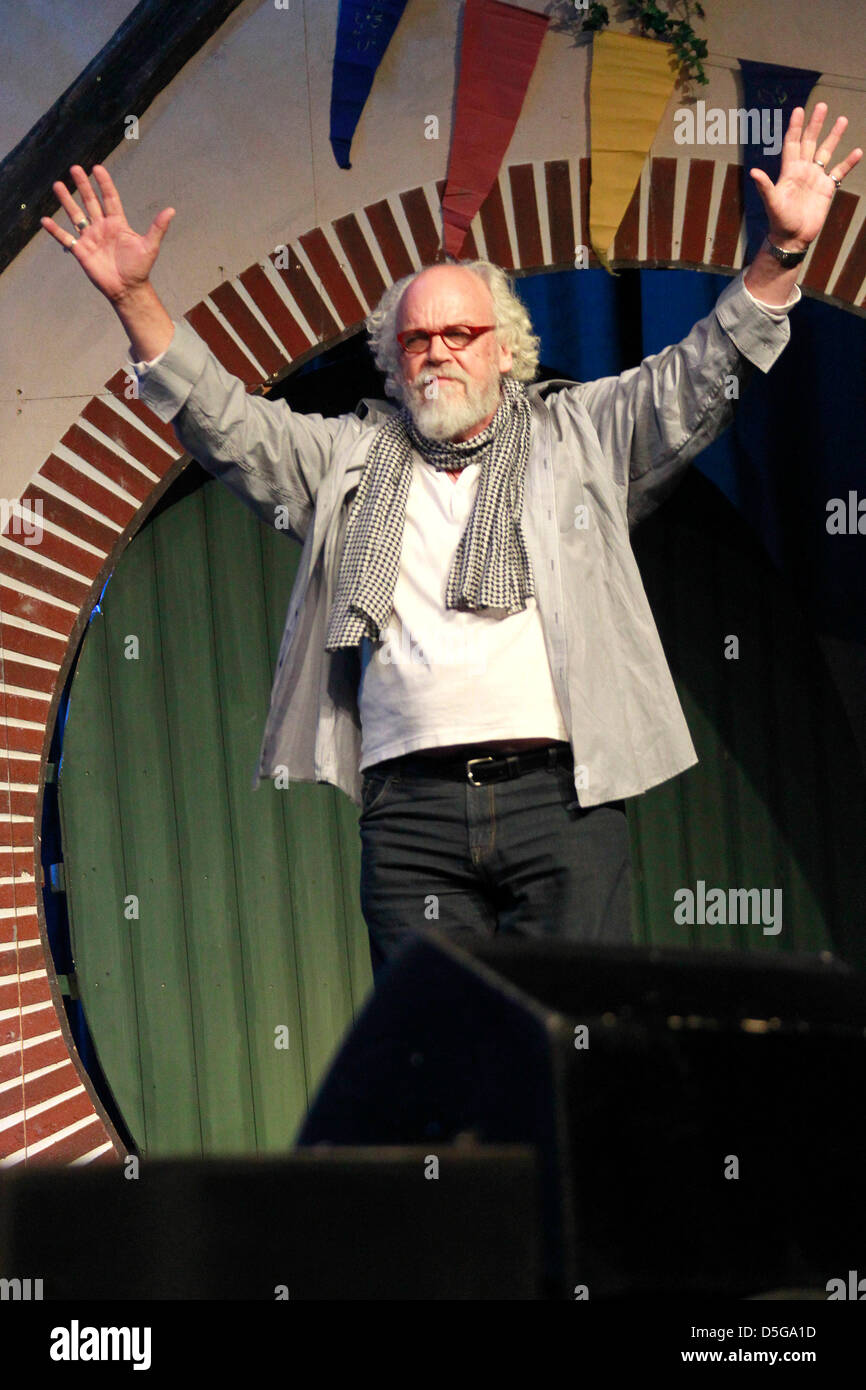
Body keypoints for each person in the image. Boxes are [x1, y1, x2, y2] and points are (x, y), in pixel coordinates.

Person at [42, 104, 861, 977]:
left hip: (561, 800)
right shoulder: (346, 460)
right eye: (417, 340)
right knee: (435, 1067)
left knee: (574, 1041)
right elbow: (228, 425)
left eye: (460, 335)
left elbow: (695, 380)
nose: (438, 354)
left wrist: (781, 256)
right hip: (411, 812)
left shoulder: (577, 437)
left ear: (504, 351)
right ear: (394, 366)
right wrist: (135, 299)